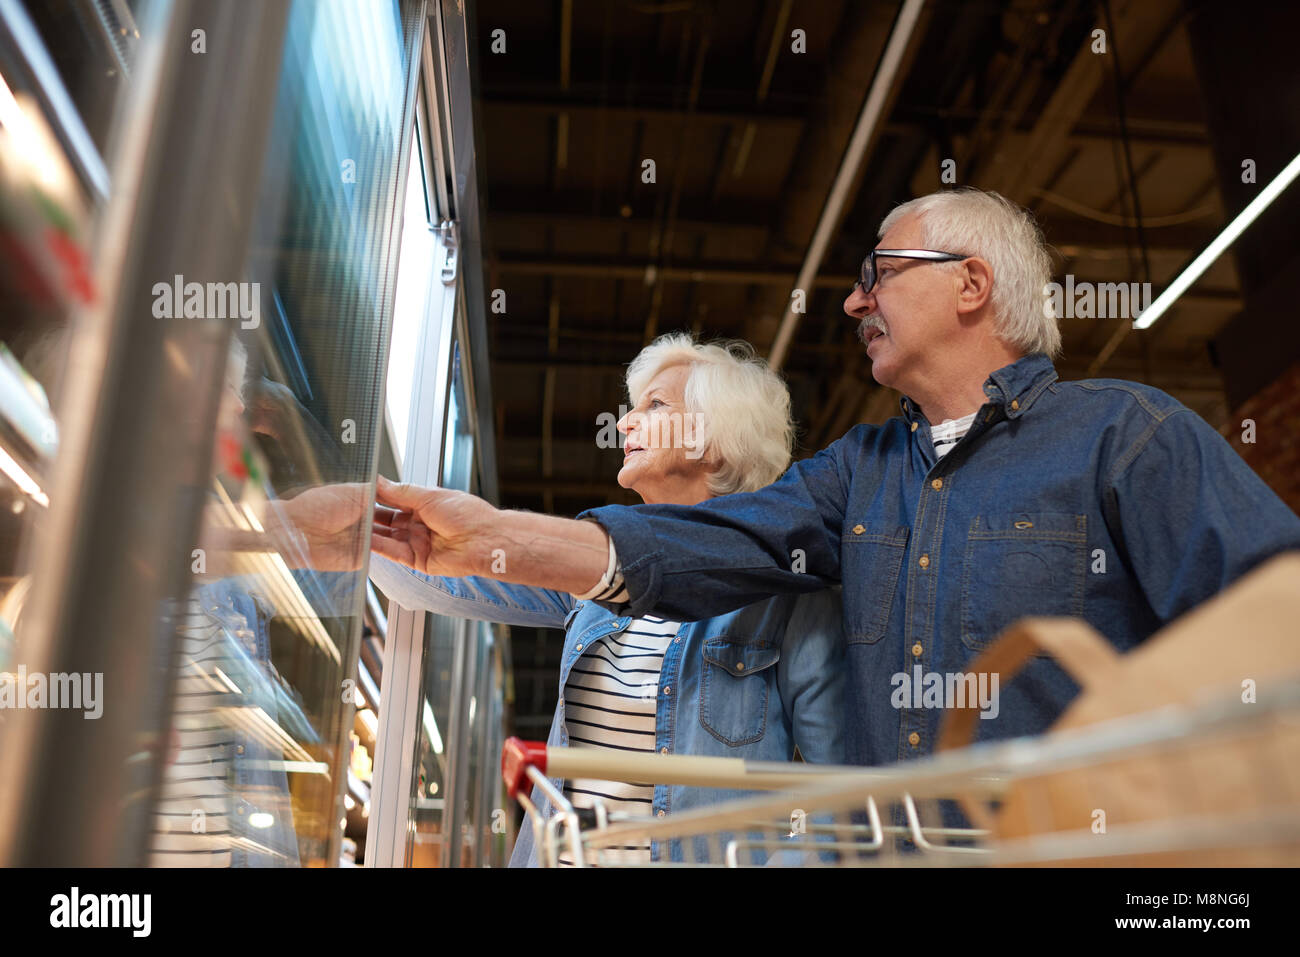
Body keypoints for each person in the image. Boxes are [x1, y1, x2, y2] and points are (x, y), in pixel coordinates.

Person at [370, 188, 1300, 781]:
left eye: (880, 275)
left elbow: (1274, 623)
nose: (855, 301)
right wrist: (480, 530)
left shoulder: (1126, 438)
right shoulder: (857, 473)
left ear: (972, 284)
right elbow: (711, 542)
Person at [370, 333, 846, 865]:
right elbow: (430, 577)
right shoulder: (597, 572)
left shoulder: (788, 596)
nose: (623, 422)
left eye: (655, 405)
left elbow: (841, 802)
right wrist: (349, 518)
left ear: (711, 437)